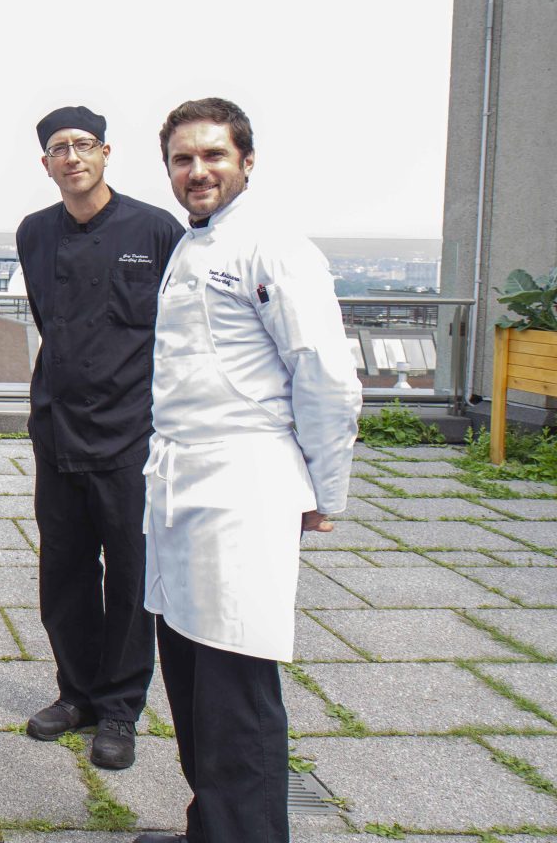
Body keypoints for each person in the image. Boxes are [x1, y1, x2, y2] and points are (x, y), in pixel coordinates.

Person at [134, 98, 361, 843]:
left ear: (247, 162)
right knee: (193, 680)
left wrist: (326, 490)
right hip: (179, 485)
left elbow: (325, 374)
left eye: (213, 156)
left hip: (241, 487)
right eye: (182, 160)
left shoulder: (274, 247)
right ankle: (212, 828)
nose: (197, 172)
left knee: (237, 690)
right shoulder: (190, 247)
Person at [15, 105, 184, 770]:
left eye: (84, 145)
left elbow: (177, 332)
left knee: (132, 576)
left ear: (107, 153)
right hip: (57, 427)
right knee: (64, 573)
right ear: (47, 163)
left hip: (132, 433)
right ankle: (76, 693)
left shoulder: (155, 229)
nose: (73, 157)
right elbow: (49, 323)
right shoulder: (35, 234)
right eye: (60, 148)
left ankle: (119, 709)